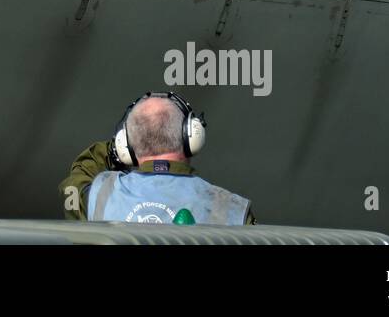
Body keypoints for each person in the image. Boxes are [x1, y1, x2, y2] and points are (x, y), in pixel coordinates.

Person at [59, 92, 255, 224]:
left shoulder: (99, 195)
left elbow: (77, 178)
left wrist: (116, 149)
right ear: (191, 136)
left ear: (125, 143)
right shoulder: (232, 209)